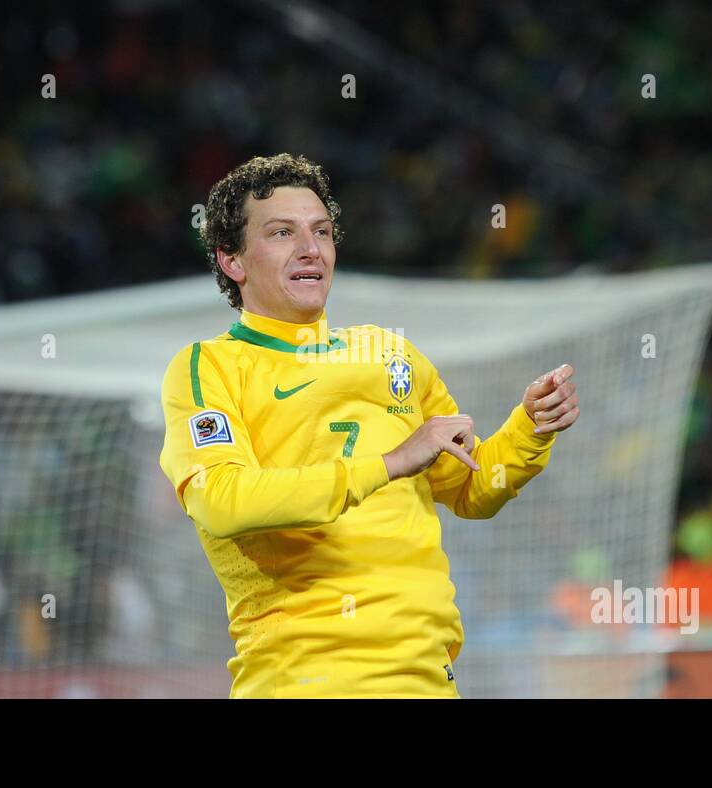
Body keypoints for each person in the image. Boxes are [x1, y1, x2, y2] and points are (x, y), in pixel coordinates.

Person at [158, 153, 580, 698]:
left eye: (322, 232)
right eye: (282, 233)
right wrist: (388, 464)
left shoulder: (391, 354)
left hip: (427, 678)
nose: (310, 248)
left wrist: (530, 428)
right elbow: (222, 500)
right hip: (307, 678)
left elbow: (474, 487)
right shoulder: (209, 367)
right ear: (232, 261)